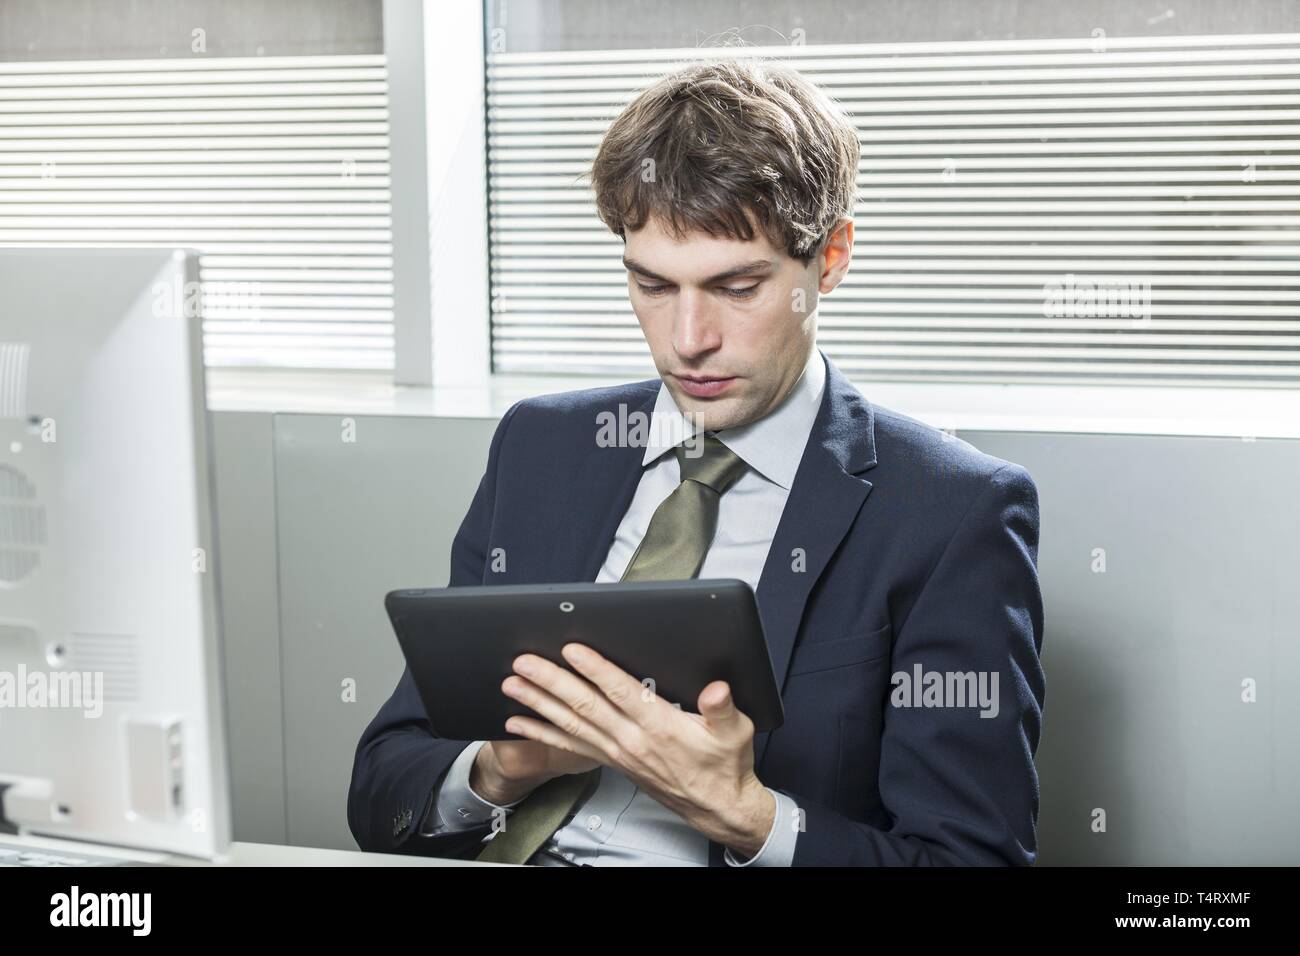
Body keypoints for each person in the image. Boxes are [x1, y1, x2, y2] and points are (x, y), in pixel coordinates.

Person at [347, 56, 1045, 866]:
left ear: (832, 257)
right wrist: (499, 771)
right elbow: (383, 790)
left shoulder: (951, 512)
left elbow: (973, 860)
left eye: (737, 287)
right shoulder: (540, 446)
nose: (688, 341)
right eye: (651, 285)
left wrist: (749, 816)